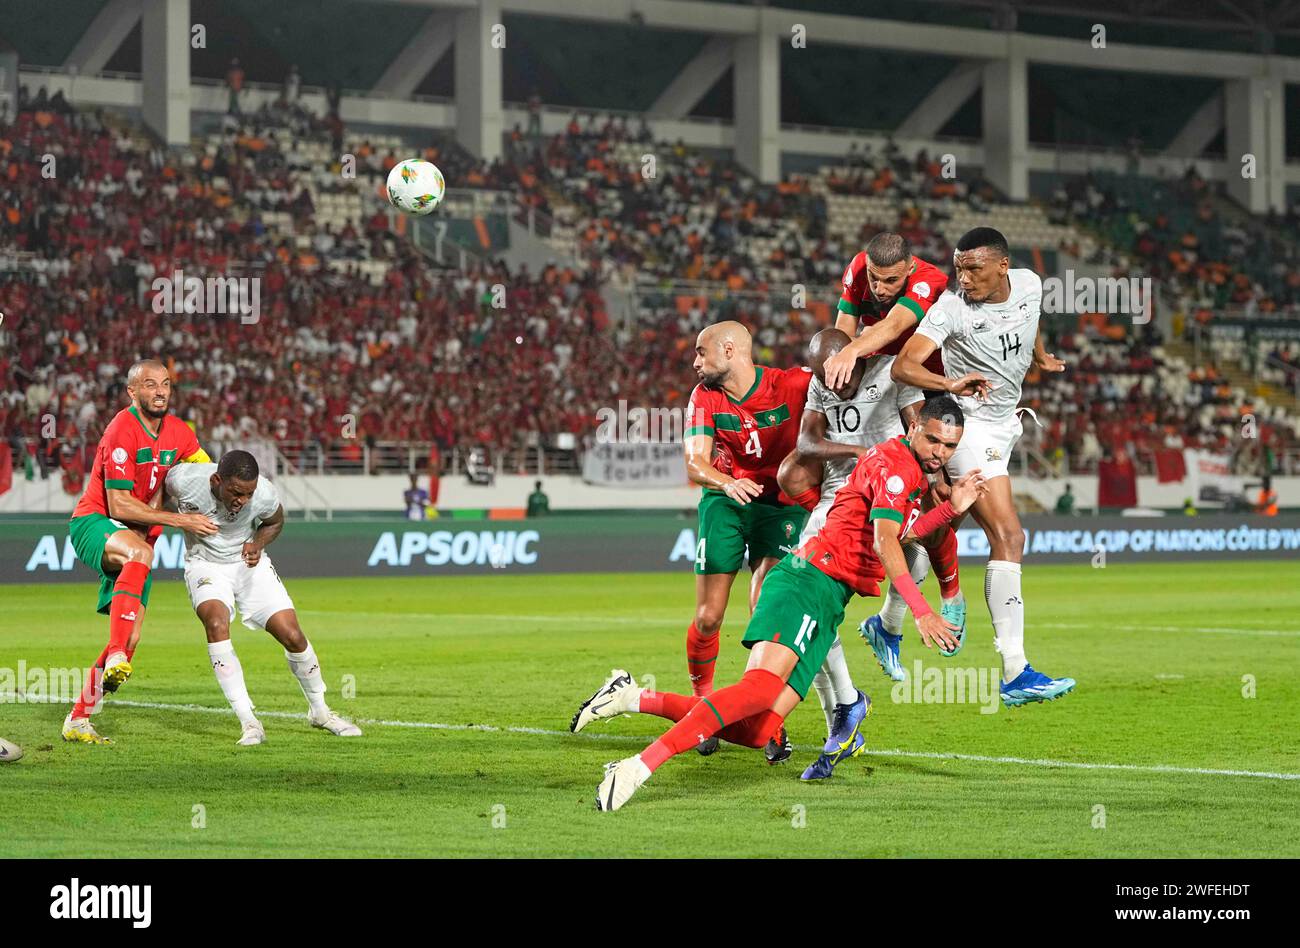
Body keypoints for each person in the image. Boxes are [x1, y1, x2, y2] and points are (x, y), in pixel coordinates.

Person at [573, 397, 986, 811]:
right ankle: (636, 767)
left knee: (758, 730)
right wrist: (921, 609)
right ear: (913, 426)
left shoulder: (910, 470)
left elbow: (899, 533)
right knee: (759, 689)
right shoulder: (895, 465)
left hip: (828, 603)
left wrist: (952, 507)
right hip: (805, 582)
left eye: (950, 447)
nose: (941, 453)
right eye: (934, 439)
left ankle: (631, 697)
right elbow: (884, 543)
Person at [892, 226, 1076, 707]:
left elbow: (1031, 317)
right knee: (1009, 537)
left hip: (1005, 423)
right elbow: (903, 367)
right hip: (968, 427)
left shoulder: (1031, 283)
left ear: (1002, 266)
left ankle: (889, 619)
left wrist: (1038, 356)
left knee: (934, 527)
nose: (963, 278)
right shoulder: (952, 309)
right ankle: (1015, 671)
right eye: (958, 267)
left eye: (973, 268)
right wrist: (950, 384)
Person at [775, 328, 960, 779]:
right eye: (824, 377)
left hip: (896, 500)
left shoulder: (890, 374)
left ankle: (890, 627)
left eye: (838, 374)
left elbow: (927, 433)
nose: (833, 385)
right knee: (810, 618)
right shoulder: (822, 382)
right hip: (841, 502)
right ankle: (843, 712)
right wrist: (865, 453)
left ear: (857, 357)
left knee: (914, 553)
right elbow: (807, 445)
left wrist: (941, 488)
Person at [817, 232, 967, 670]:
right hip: (891, 388)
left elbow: (894, 327)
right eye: (874, 280)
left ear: (908, 269)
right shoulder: (859, 268)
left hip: (931, 388)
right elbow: (842, 328)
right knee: (912, 520)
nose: (879, 288)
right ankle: (894, 621)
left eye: (889, 281)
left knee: (935, 505)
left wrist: (852, 352)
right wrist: (839, 361)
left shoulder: (929, 279)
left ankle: (942, 596)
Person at [63, 360, 216, 744]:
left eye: (165, 384)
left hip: (139, 538)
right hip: (95, 522)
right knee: (140, 558)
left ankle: (78, 718)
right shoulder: (122, 428)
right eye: (150, 384)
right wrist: (182, 521)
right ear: (133, 392)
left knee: (131, 640)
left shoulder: (181, 433)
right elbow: (118, 505)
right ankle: (114, 651)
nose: (160, 391)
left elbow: (209, 474)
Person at [164, 451, 361, 745]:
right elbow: (152, 495)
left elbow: (275, 521)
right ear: (217, 480)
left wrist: (257, 543)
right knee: (216, 623)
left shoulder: (264, 494)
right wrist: (178, 521)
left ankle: (320, 712)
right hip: (205, 565)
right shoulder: (183, 480)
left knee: (292, 634)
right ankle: (249, 722)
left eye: (248, 494)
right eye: (235, 492)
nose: (242, 500)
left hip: (248, 565)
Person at [682, 320, 813, 760]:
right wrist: (725, 482)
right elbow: (694, 463)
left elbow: (847, 380)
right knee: (707, 617)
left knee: (766, 611)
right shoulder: (705, 397)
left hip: (782, 507)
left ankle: (767, 721)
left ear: (731, 349)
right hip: (726, 501)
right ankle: (704, 707)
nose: (696, 362)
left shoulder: (791, 384)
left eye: (702, 352)